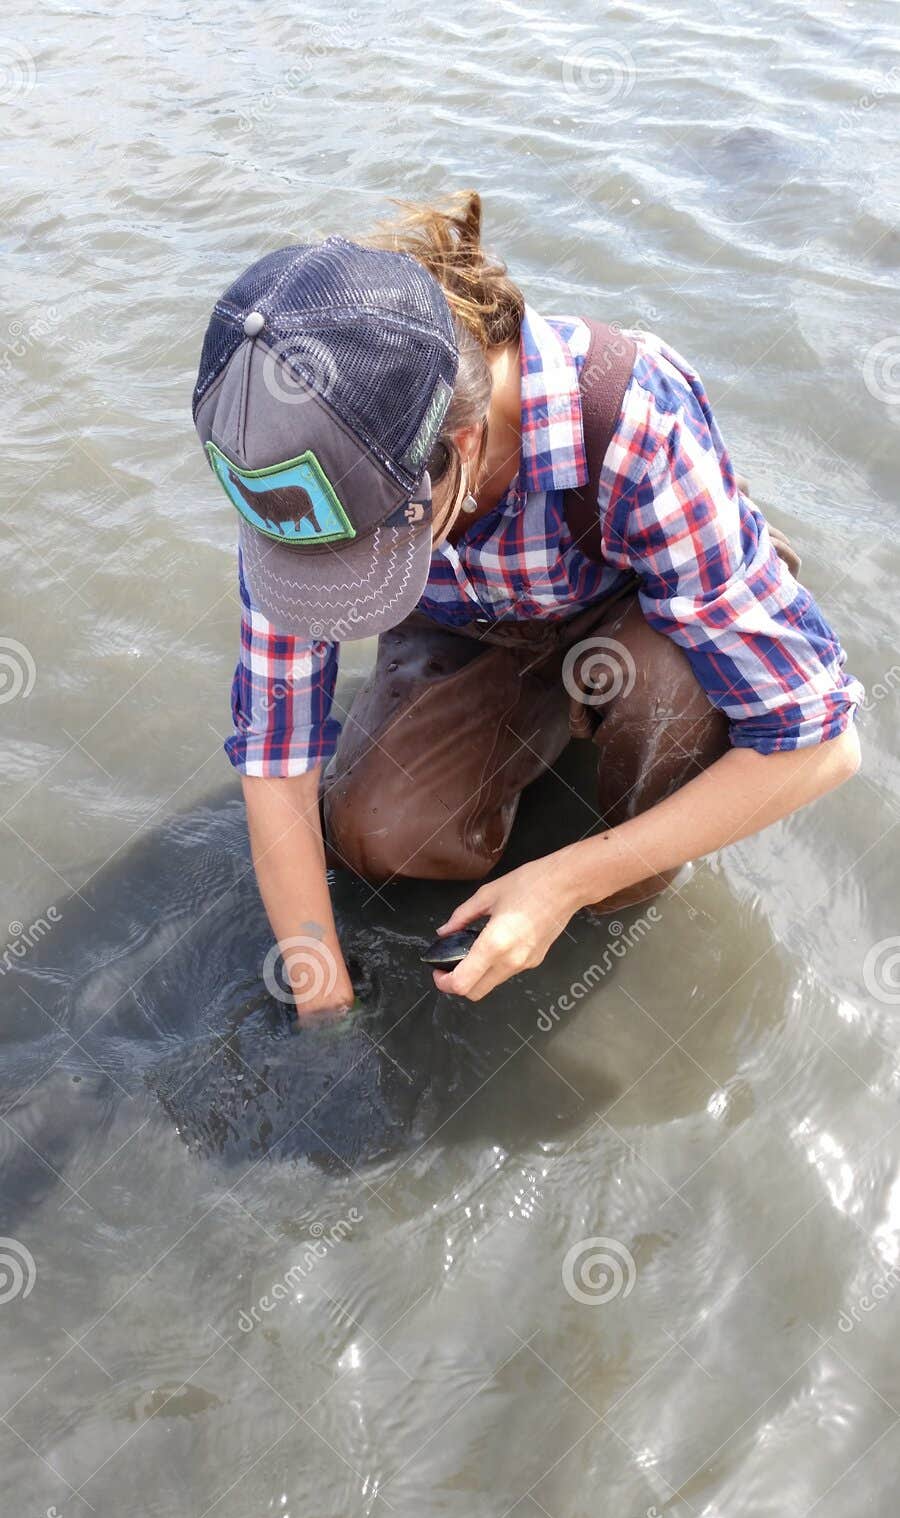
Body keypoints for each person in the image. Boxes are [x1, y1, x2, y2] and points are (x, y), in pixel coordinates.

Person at [192, 193, 861, 1017]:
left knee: (666, 703)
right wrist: (319, 983)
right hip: (476, 623)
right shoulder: (297, 460)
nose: (329, 574)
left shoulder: (634, 421)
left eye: (370, 552)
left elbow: (819, 743)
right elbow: (278, 748)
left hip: (631, 610)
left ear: (462, 448)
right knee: (377, 838)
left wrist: (567, 884)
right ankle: (534, 731)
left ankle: (624, 862)